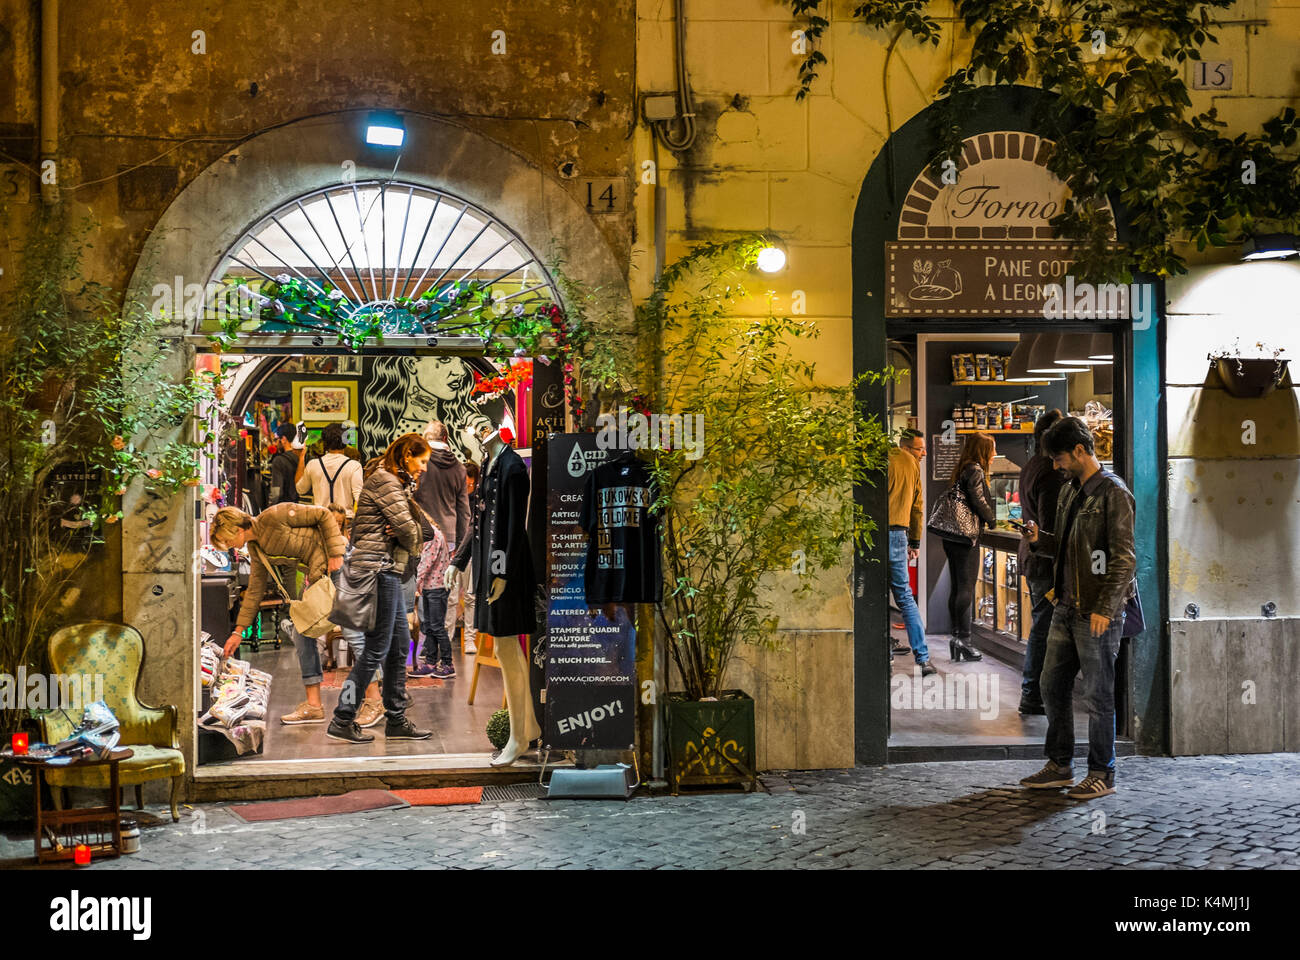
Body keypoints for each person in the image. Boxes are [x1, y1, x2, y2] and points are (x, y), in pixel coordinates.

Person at [1020, 416, 1136, 800]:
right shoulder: (1072, 490)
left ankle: (1103, 772)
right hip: (1066, 607)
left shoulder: (1113, 494)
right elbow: (1069, 546)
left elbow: (1123, 559)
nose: (1055, 465)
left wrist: (1106, 606)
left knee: (1098, 697)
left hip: (1096, 614)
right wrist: (1041, 540)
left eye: (1059, 458)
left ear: (1081, 450)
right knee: (1051, 685)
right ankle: (1060, 764)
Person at [326, 433, 436, 744]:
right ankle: (343, 717)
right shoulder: (386, 481)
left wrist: (408, 529)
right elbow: (410, 531)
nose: (424, 469)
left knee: (400, 645)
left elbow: (422, 530)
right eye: (422, 461)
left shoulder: (394, 483)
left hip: (387, 569)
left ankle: (396, 719)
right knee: (376, 648)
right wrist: (408, 531)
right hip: (378, 570)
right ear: (406, 456)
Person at [208, 503, 346, 725]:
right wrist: (239, 631)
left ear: (237, 529)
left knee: (354, 632)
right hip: (317, 576)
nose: (229, 546)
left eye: (227, 540)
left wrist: (336, 553)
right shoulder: (256, 549)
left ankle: (374, 699)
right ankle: (313, 706)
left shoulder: (274, 516)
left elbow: (323, 514)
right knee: (303, 633)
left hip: (336, 567)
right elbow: (254, 590)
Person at [1016, 409, 1065, 715]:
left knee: (1041, 625)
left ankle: (1033, 691)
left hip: (1032, 559)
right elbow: (1048, 526)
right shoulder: (1050, 471)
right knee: (1044, 627)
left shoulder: (1031, 466)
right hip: (1044, 562)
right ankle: (1033, 693)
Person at [324, 504, 384, 728]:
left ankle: (374, 700)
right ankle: (375, 699)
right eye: (333, 524)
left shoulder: (345, 543)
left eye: (339, 524)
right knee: (361, 642)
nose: (336, 528)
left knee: (360, 642)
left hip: (350, 595)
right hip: (345, 595)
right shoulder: (338, 542)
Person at [940, 432, 997, 661]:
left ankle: (956, 638)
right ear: (982, 451)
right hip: (966, 537)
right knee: (966, 587)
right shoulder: (975, 470)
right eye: (992, 449)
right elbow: (978, 499)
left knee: (957, 587)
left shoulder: (962, 468)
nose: (994, 454)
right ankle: (964, 640)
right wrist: (992, 519)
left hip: (952, 537)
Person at [887, 429, 935, 676]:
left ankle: (883, 651)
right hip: (898, 533)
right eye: (920, 449)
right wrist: (915, 542)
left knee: (869, 594)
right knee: (904, 596)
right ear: (906, 447)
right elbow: (917, 506)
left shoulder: (882, 458)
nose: (924, 453)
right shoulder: (910, 464)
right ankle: (923, 658)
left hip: (871, 532)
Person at [410, 506, 455, 679]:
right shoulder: (428, 534)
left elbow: (426, 563)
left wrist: (415, 584)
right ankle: (430, 663)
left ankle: (448, 664)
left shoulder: (432, 536)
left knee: (436, 626)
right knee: (428, 626)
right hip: (429, 586)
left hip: (437, 586)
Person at [296, 423, 364, 515]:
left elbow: (300, 489)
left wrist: (301, 458)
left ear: (324, 442)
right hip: (345, 521)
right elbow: (359, 498)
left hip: (321, 520)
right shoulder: (354, 466)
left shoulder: (313, 465)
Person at [448, 461, 480, 655]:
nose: (465, 487)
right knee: (450, 597)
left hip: (470, 551)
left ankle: (470, 638)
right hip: (453, 548)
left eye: (469, 484)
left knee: (470, 596)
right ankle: (446, 637)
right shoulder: (453, 497)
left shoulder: (479, 499)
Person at [267, 423, 301, 506]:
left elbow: (276, 492)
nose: (275, 444)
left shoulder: (279, 461)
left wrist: (269, 506)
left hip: (286, 507)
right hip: (304, 506)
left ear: (284, 439)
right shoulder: (305, 457)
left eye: (276, 439)